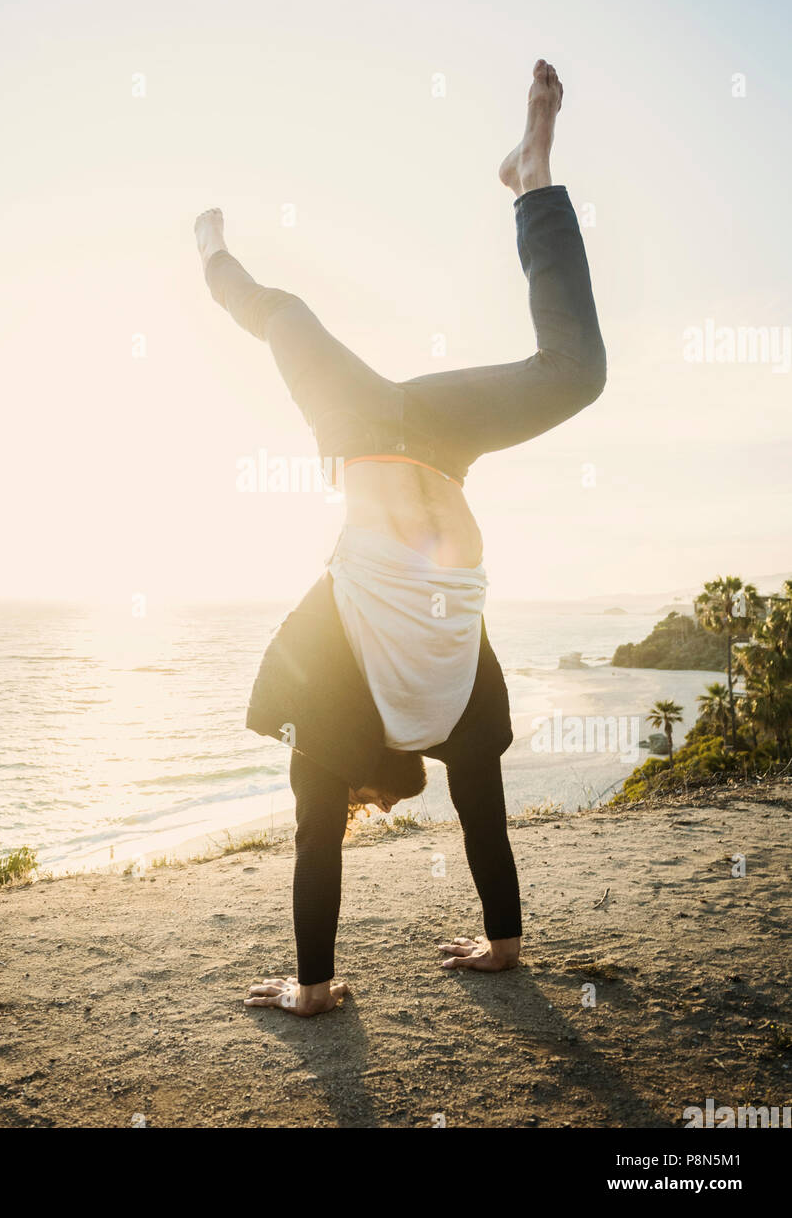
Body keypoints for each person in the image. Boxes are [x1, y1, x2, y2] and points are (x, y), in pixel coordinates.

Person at [194, 60, 606, 1016]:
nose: (362, 801)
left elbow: (313, 834)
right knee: (576, 372)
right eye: (371, 798)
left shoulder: (334, 672)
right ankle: (534, 178)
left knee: (282, 316)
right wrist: (503, 944)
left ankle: (212, 258)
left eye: (361, 800)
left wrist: (311, 987)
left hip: (354, 428)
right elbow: (484, 818)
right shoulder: (458, 701)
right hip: (441, 441)